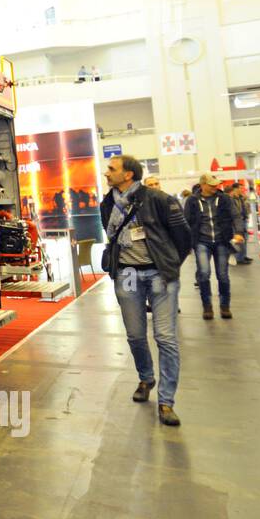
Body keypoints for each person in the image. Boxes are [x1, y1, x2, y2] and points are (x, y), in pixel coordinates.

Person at [100, 155, 192, 426]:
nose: (107, 173)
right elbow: (110, 235)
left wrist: (169, 265)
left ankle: (166, 402)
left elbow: (183, 236)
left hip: (159, 274)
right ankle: (146, 377)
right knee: (135, 335)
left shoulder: (158, 199)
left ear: (128, 175)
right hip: (127, 274)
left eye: (112, 169)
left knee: (165, 337)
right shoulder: (107, 203)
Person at [184, 173, 242, 319]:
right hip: (201, 242)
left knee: (222, 275)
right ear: (203, 185)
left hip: (222, 240)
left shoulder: (225, 198)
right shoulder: (192, 200)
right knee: (203, 274)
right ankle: (207, 306)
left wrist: (239, 232)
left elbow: (236, 216)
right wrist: (187, 241)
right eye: (211, 184)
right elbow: (186, 220)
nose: (215, 187)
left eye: (216, 184)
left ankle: (224, 306)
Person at [229, 183, 252, 265]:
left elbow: (244, 208)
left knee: (244, 239)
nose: (242, 190)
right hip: (237, 222)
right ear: (235, 189)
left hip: (243, 220)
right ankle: (239, 258)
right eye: (240, 188)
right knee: (239, 239)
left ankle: (243, 256)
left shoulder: (241, 198)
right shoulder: (231, 199)